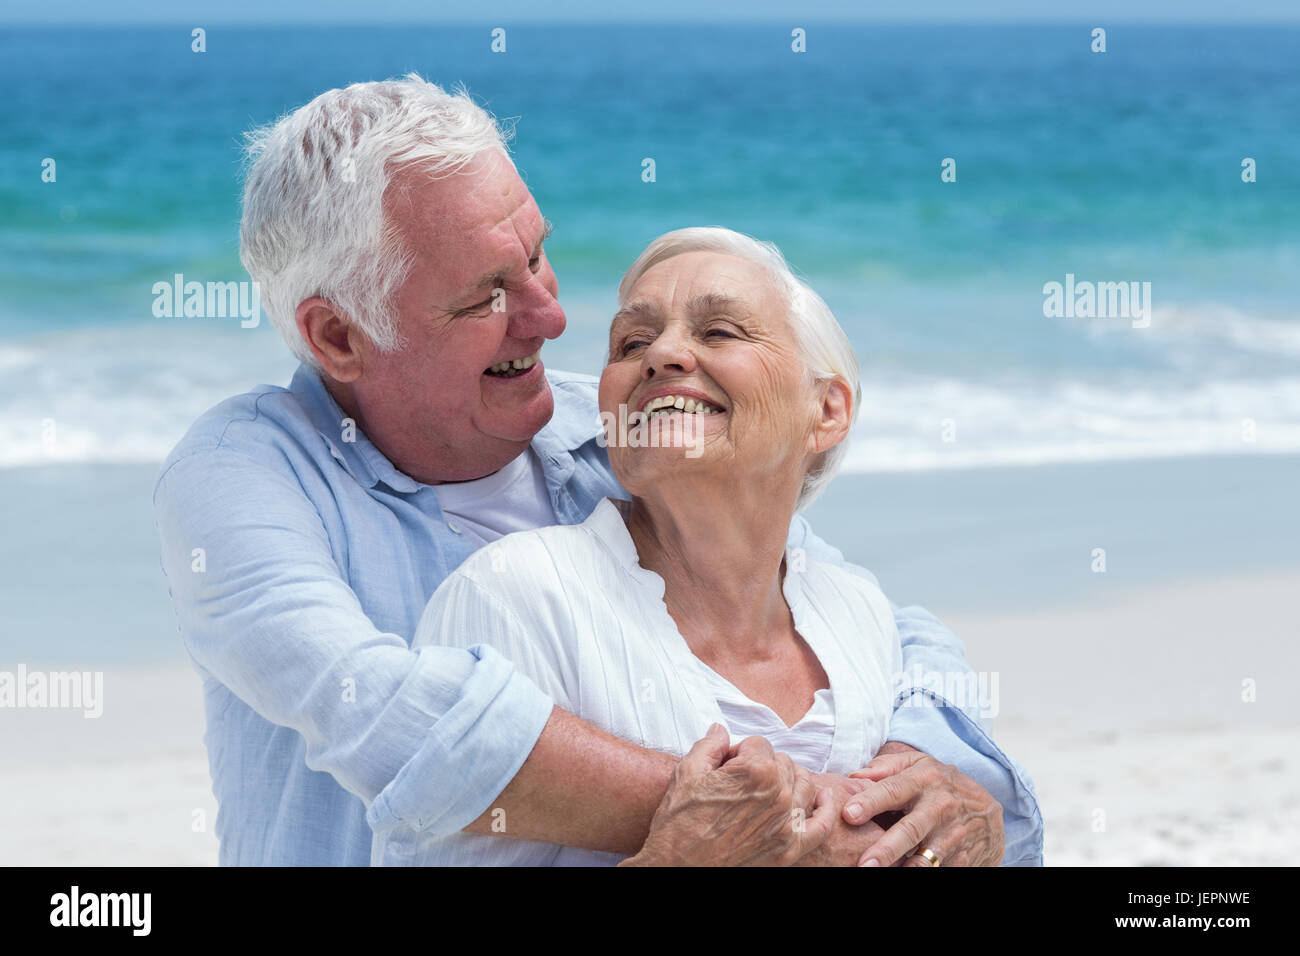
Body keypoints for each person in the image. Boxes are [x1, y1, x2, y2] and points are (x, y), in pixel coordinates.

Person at [153, 75, 1043, 866]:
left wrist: (937, 772)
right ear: (339, 336)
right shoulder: (245, 478)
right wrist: (769, 824)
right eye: (484, 296)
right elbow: (386, 715)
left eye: (535, 254)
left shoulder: (610, 425)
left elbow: (839, 604)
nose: (548, 315)